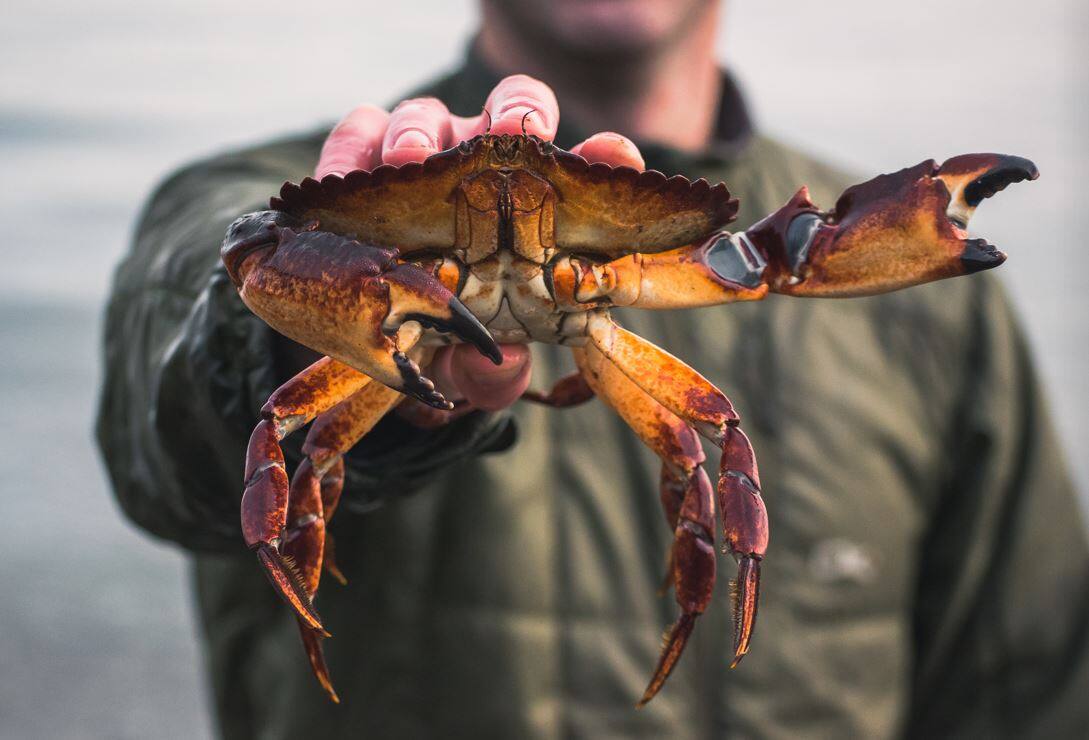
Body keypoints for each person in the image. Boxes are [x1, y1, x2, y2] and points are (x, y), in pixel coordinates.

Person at [97, 1, 1089, 737]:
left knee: (704, 455)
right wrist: (330, 314)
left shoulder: (924, 315)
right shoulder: (297, 195)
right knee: (295, 435)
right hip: (356, 288)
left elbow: (1027, 690)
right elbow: (187, 328)